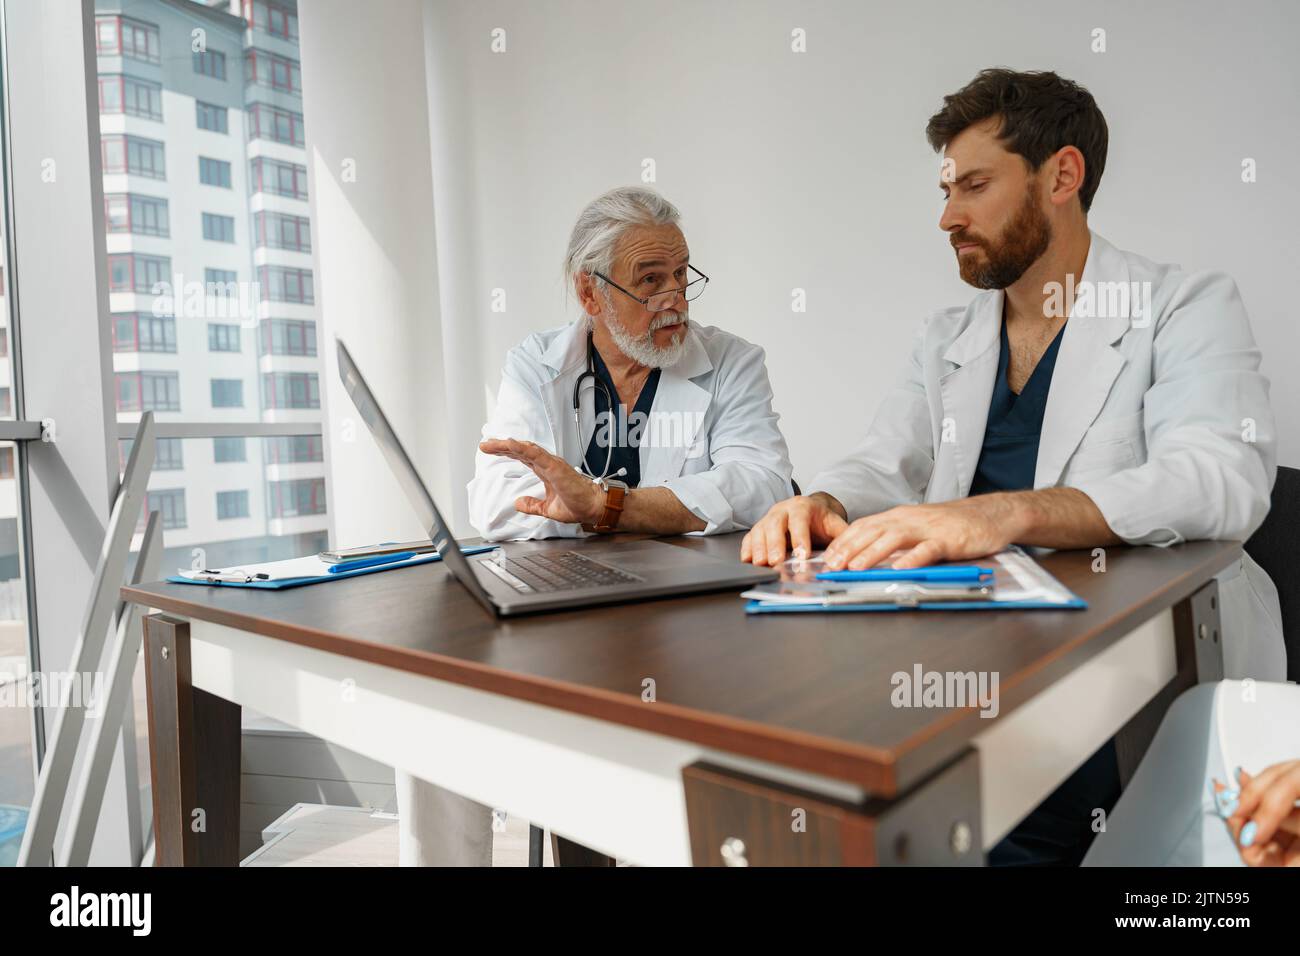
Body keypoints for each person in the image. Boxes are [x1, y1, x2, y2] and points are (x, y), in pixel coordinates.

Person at [741, 68, 1284, 865]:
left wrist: (1005, 512)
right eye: (945, 189)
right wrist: (823, 499)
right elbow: (884, 463)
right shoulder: (948, 336)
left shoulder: (1183, 304)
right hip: (964, 680)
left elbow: (1222, 477)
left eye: (974, 186)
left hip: (1122, 687)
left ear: (1061, 175)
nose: (946, 216)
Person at [399, 185, 794, 865]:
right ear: (591, 295)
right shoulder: (537, 363)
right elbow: (495, 498)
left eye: (681, 275)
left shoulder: (732, 362)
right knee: (432, 695)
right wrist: (612, 512)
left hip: (691, 617)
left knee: (615, 742)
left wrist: (604, 506)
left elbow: (763, 484)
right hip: (568, 610)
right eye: (650, 280)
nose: (675, 296)